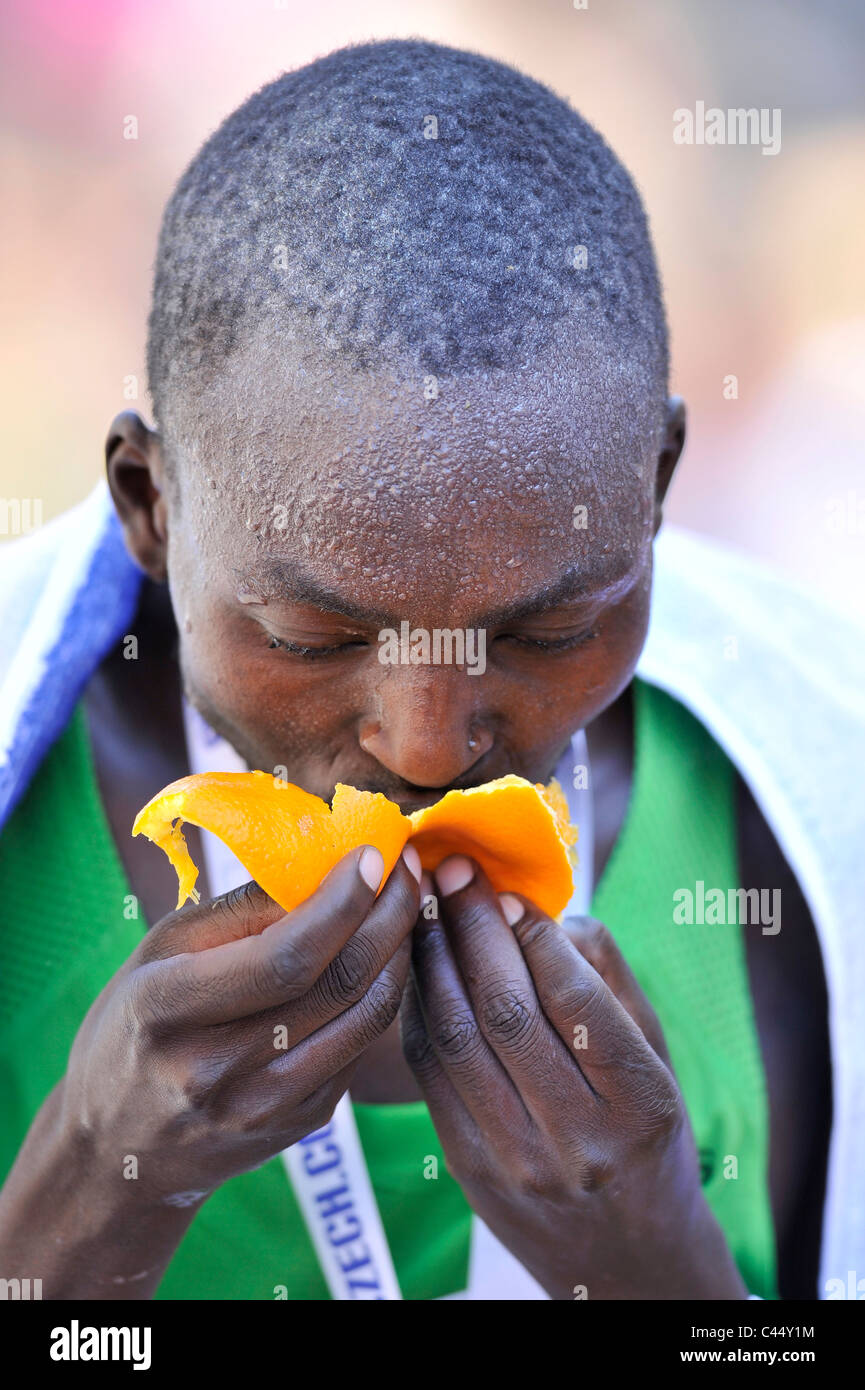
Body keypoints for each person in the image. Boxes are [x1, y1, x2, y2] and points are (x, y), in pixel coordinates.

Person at [0, 39, 861, 1302]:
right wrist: (90, 1187)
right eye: (312, 637)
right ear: (150, 505)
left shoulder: (812, 828)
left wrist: (647, 1264)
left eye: (547, 632)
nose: (425, 743)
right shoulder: (32, 860)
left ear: (655, 494)